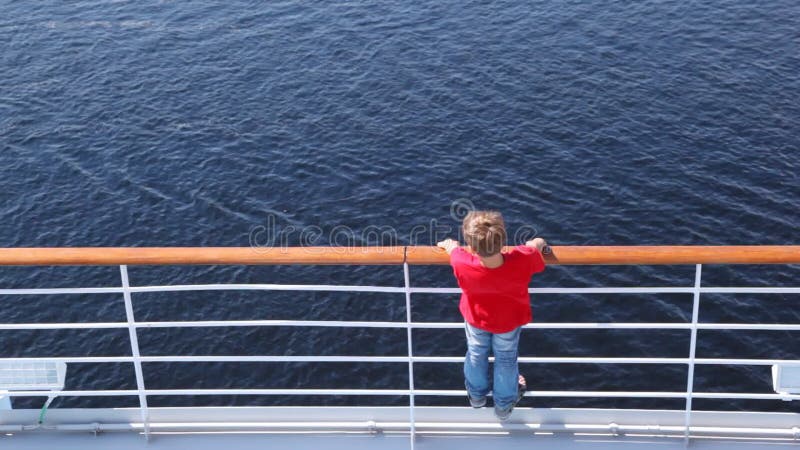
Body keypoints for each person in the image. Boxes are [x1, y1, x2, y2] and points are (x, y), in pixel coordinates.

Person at [437, 210, 547, 420]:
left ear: (471, 244)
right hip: (509, 321)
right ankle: (503, 406)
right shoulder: (521, 259)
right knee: (506, 359)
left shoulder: (461, 261)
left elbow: (453, 249)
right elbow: (534, 247)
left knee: (476, 354)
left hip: (476, 319)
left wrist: (450, 245)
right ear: (502, 239)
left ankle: (477, 397)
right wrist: (539, 242)